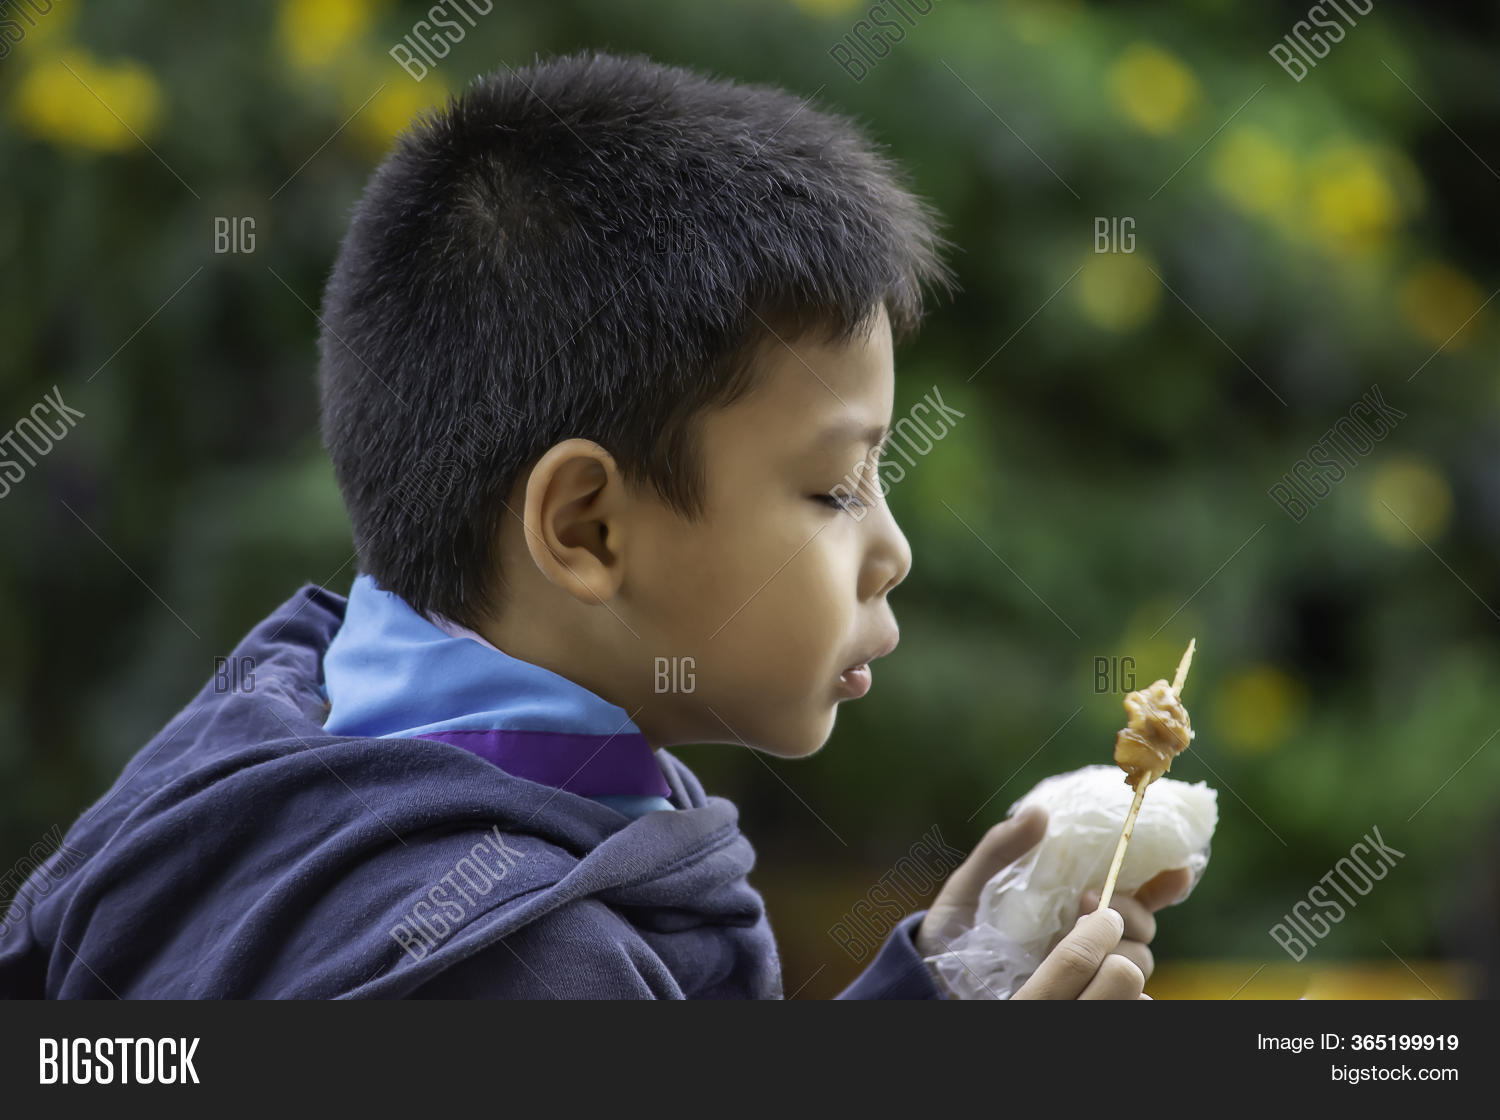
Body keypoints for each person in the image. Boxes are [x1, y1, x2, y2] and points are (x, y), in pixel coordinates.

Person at [0, 52, 1187, 998]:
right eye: (834, 488)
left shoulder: (276, 720)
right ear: (586, 529)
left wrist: (945, 987)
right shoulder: (517, 965)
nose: (893, 549)